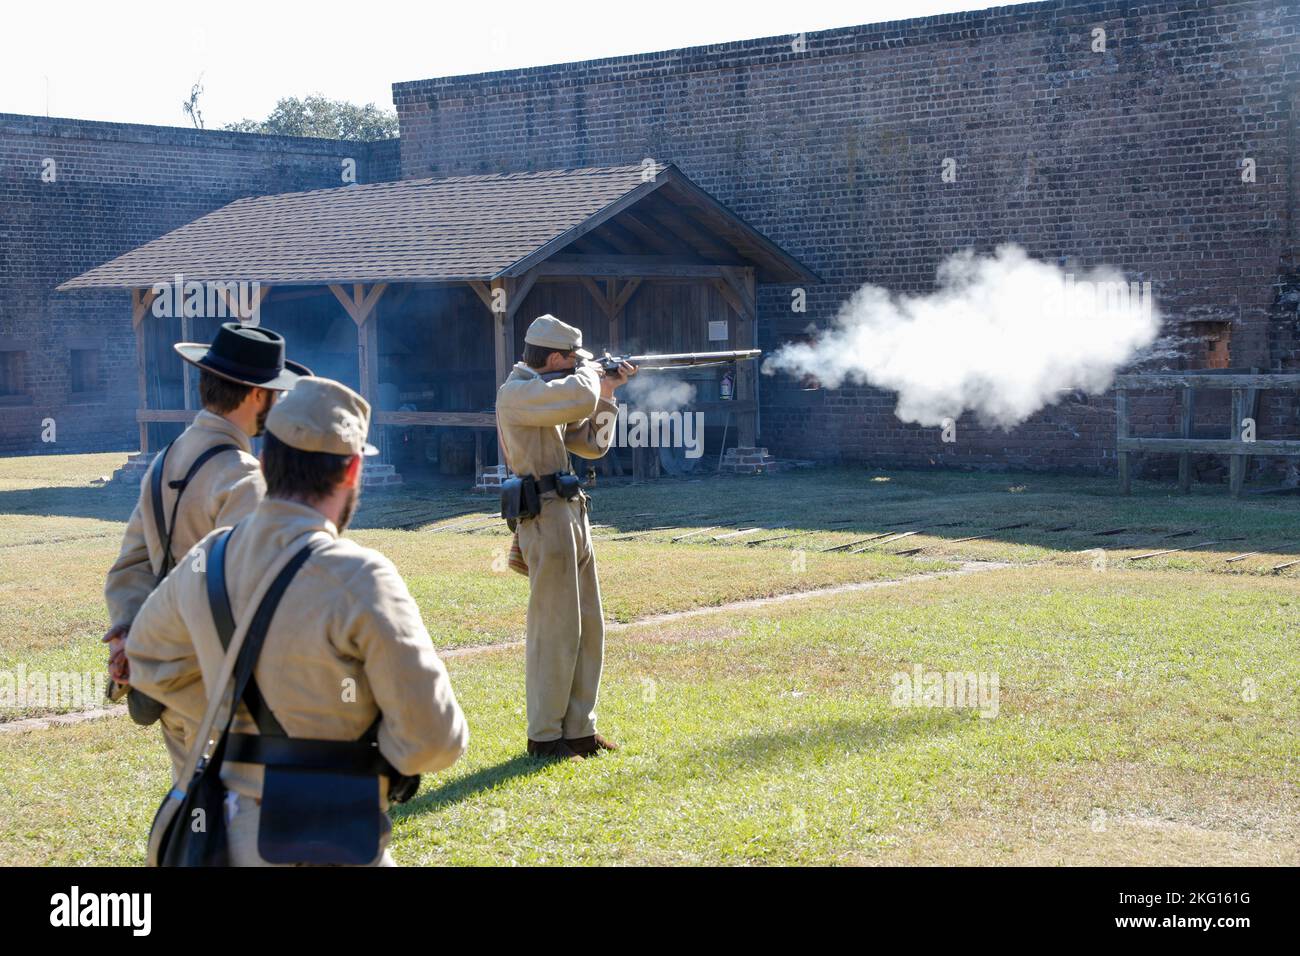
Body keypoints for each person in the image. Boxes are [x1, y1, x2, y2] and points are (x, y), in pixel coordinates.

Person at [125, 376, 468, 866]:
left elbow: (147, 660)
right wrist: (359, 749)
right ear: (351, 471)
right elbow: (435, 739)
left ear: (264, 463)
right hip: (332, 834)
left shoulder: (207, 559)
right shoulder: (360, 576)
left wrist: (232, 715)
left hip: (229, 836)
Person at [104, 322, 309, 782]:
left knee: (199, 819)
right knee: (241, 825)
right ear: (257, 395)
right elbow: (248, 597)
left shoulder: (164, 460)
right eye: (274, 393)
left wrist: (126, 633)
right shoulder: (244, 478)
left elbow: (132, 566)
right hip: (222, 691)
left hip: (169, 678)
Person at [495, 314, 634, 760]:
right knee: (555, 631)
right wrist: (593, 376)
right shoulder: (518, 393)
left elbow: (591, 446)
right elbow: (576, 395)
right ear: (555, 358)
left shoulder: (557, 391)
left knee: (587, 627)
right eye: (572, 359)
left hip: (571, 511)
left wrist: (608, 392)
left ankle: (578, 730)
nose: (578, 365)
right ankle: (544, 735)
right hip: (543, 515)